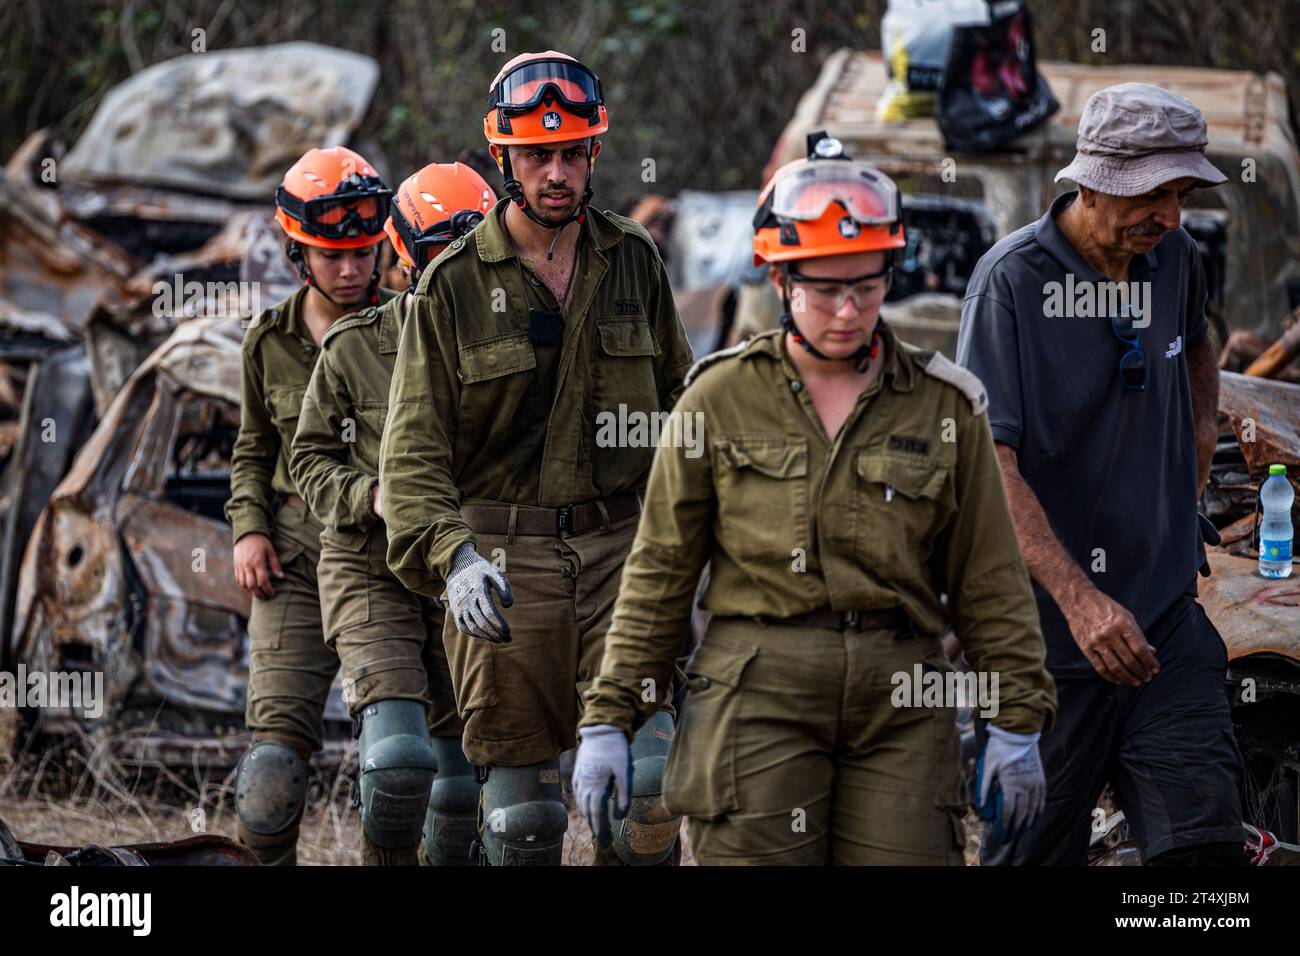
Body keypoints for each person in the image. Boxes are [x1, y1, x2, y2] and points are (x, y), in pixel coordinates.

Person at [574, 133, 1056, 865]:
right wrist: (610, 718)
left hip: (902, 698)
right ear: (779, 279)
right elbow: (659, 574)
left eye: (866, 286)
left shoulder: (945, 407)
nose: (847, 310)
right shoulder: (718, 399)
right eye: (825, 289)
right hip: (756, 691)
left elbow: (989, 579)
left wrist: (1017, 722)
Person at [378, 51, 696, 865]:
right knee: (524, 827)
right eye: (536, 156)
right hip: (502, 567)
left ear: (595, 153)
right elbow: (410, 460)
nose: (556, 173)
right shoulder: (448, 288)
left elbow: (682, 408)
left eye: (572, 153)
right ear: (504, 160)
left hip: (622, 555)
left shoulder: (633, 259)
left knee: (649, 802)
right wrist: (453, 562)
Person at [955, 83, 1246, 865]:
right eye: (1154, 192)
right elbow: (990, 459)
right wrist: (1082, 604)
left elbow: (1199, 357)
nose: (1172, 215)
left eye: (1181, 193)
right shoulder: (1009, 283)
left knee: (1204, 860)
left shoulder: (1174, 259)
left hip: (1165, 626)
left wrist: (1181, 501)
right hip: (1049, 647)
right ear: (1094, 182)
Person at [290, 162, 496, 866]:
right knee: (400, 765)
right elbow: (308, 460)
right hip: (370, 564)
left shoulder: (514, 353)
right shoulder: (355, 349)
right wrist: (370, 495)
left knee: (463, 782)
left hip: (461, 570)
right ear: (406, 260)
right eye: (442, 260)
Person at [227, 146, 395, 866]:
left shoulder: (412, 329)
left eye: (363, 253)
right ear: (298, 252)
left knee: (402, 769)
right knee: (269, 778)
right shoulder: (269, 341)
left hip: (392, 561)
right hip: (295, 557)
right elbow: (251, 450)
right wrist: (247, 530)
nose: (352, 271)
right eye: (332, 256)